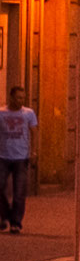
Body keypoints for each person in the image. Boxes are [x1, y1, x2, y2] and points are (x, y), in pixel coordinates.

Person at [0, 87, 35, 233]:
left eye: (23, 98)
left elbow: (34, 132)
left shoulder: (29, 113)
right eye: (18, 98)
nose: (21, 100)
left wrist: (33, 151)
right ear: (11, 98)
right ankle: (6, 214)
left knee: (19, 192)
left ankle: (16, 222)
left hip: (22, 157)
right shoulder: (1, 113)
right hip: (3, 156)